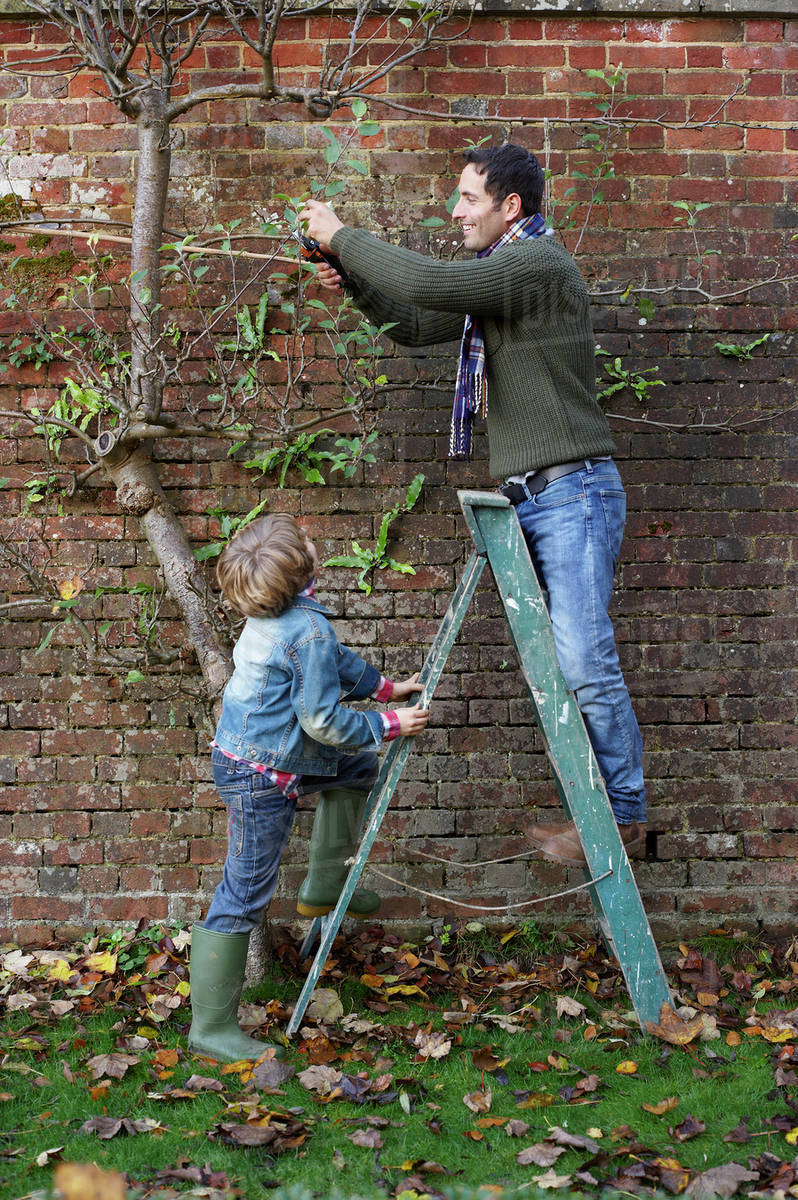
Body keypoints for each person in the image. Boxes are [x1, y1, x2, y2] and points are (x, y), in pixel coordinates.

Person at [300, 141, 646, 872]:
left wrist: (343, 236)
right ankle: (605, 816)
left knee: (585, 664)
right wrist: (353, 280)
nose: (454, 213)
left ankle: (623, 819)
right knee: (563, 669)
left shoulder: (538, 266)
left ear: (510, 206)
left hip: (572, 491)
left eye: (467, 199)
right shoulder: (501, 280)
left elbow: (426, 283)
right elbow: (418, 322)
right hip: (538, 497)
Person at [189, 512, 429, 1063]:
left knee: (355, 769)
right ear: (305, 568)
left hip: (261, 754)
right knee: (245, 891)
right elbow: (321, 720)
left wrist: (386, 687)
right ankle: (211, 1028)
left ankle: (324, 883)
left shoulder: (285, 614)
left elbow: (333, 662)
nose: (315, 542)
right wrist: (388, 724)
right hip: (260, 775)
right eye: (307, 542)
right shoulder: (308, 628)